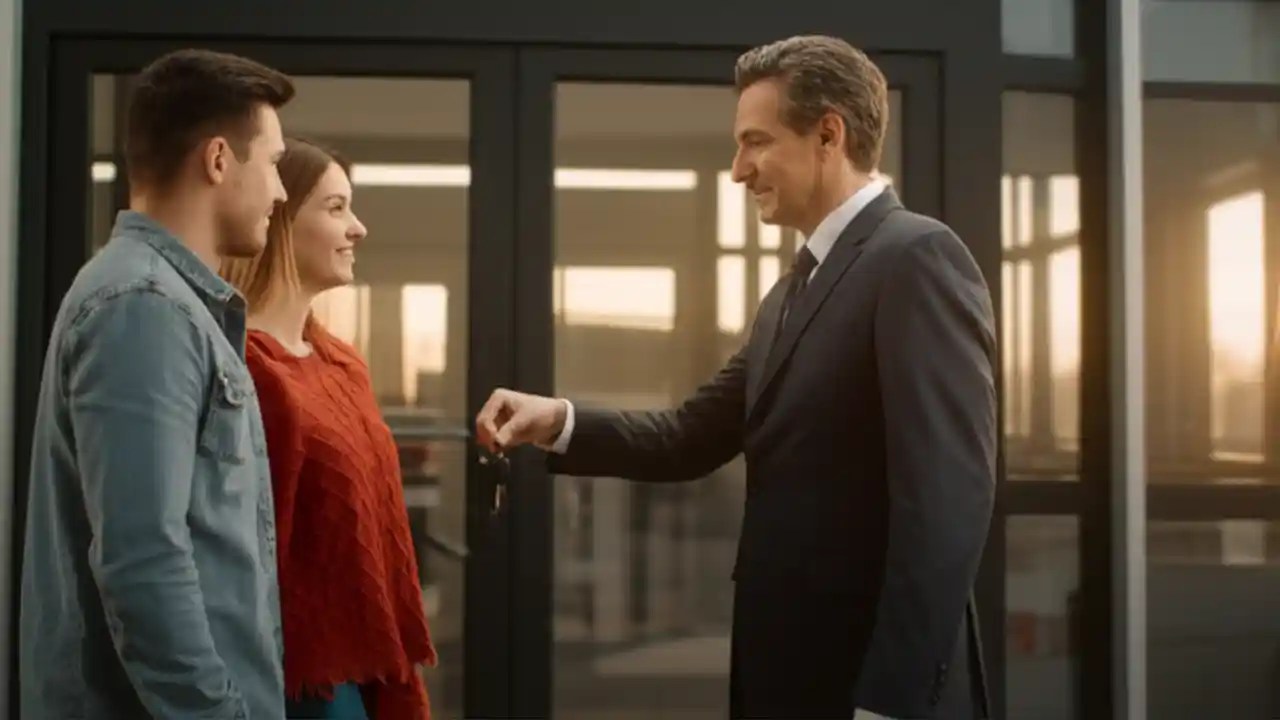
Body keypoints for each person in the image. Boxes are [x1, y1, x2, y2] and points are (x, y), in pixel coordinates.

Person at [477, 35, 996, 720]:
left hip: (869, 692)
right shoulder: (790, 292)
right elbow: (689, 436)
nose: (737, 170)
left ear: (828, 134)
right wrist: (559, 419)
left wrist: (890, 703)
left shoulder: (918, 258)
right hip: (785, 677)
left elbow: (946, 508)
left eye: (756, 142)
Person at [20, 49, 292, 719]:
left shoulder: (167, 303)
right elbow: (144, 566)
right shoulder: (145, 308)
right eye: (275, 163)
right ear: (219, 160)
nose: (281, 192)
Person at [220, 137, 437, 720]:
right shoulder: (245, 368)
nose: (359, 227)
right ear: (282, 222)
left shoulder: (342, 362)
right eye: (336, 208)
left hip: (371, 657)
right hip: (301, 675)